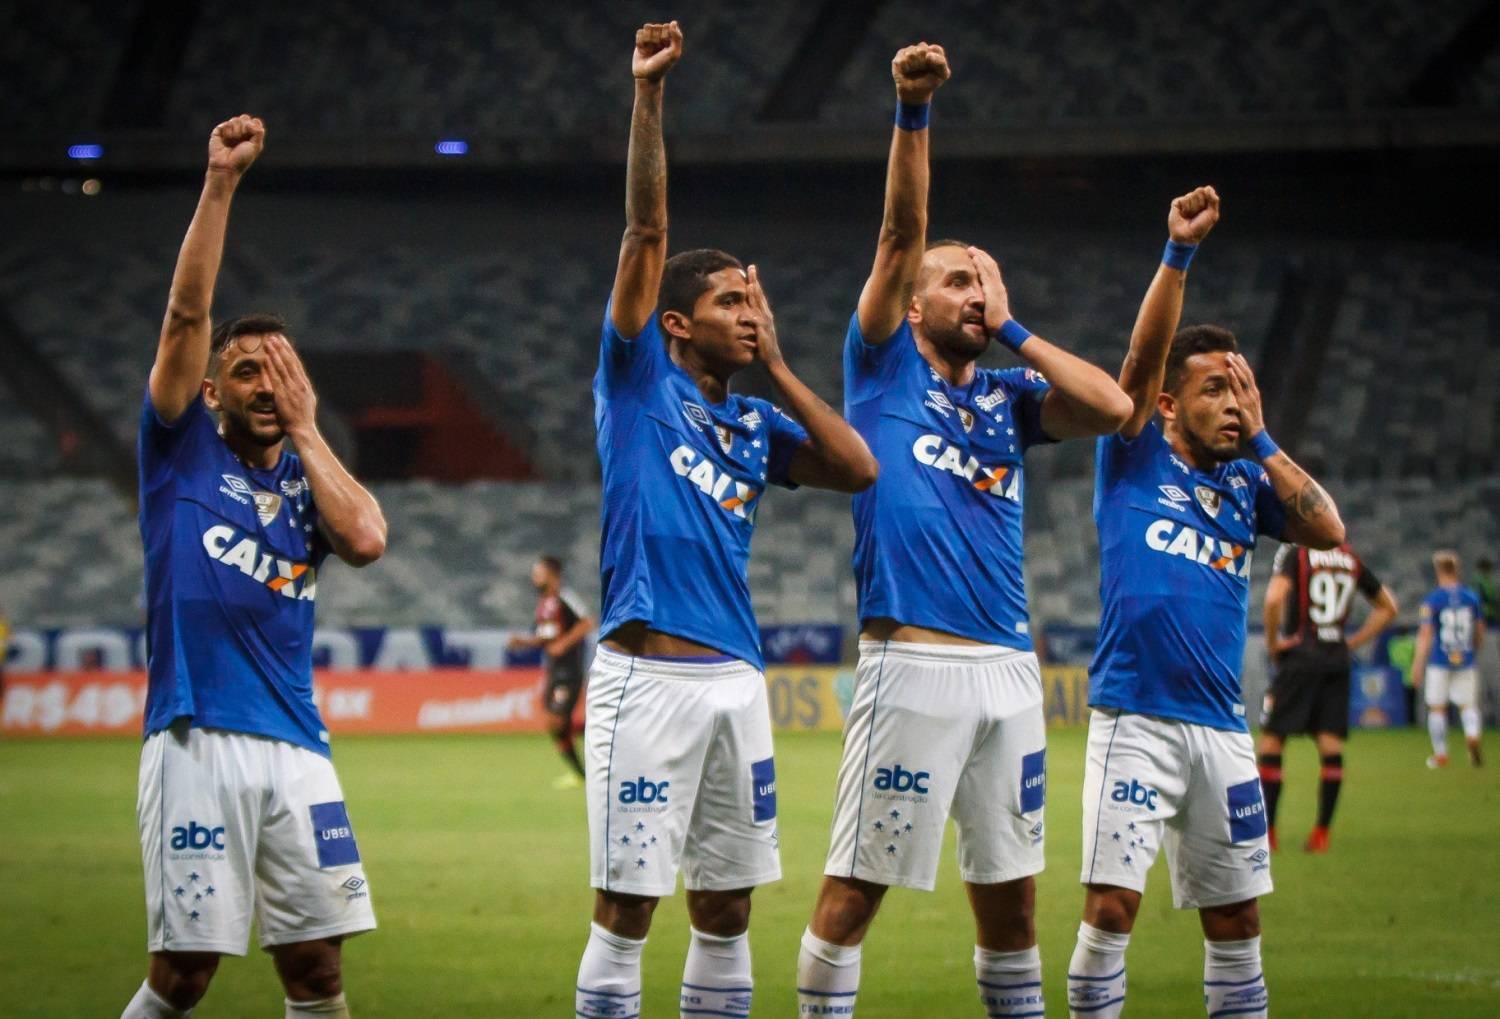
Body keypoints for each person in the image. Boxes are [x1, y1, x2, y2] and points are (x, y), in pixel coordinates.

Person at [796, 44, 1134, 1018]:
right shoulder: (881, 367)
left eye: (987, 280)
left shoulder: (1007, 396)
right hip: (915, 665)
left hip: (1009, 670)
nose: (975, 293)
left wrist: (1015, 325)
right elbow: (903, 232)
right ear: (911, 303)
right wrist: (912, 112)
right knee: (856, 889)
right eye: (958, 282)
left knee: (1014, 901)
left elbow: (1112, 407)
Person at [576, 23, 879, 1019]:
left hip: (735, 678)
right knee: (627, 905)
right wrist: (650, 97)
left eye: (755, 300)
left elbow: (856, 465)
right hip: (646, 676)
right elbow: (644, 237)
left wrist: (783, 360)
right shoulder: (636, 383)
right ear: (677, 323)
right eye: (730, 301)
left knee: (727, 905)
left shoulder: (754, 421)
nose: (749, 312)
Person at [120, 115, 388, 1019]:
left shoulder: (311, 484)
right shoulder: (180, 454)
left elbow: (368, 540)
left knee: (317, 971)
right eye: (245, 372)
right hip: (198, 737)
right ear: (209, 390)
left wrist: (311, 428)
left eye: (281, 372)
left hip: (300, 749)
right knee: (185, 973)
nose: (266, 387)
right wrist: (222, 182)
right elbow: (187, 315)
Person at [1067, 187, 1347, 1019]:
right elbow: (1142, 356)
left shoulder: (1247, 488)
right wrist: (1177, 255)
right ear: (1167, 402)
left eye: (1242, 389)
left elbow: (1329, 528)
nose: (1232, 403)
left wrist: (1262, 438)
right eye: (1216, 390)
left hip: (1223, 729)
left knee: (1237, 919)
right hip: (1135, 720)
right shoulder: (1132, 456)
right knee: (1112, 911)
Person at [1258, 541, 1398, 852]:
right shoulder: (1350, 557)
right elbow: (1389, 607)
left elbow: (1272, 600)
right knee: (1330, 744)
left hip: (1300, 657)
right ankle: (1322, 832)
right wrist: (1352, 642)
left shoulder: (1296, 552)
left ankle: (1268, 833)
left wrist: (1273, 644)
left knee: (1272, 740)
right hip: (1336, 661)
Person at [508, 554, 595, 788]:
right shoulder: (544, 605)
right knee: (552, 721)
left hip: (570, 670)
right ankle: (580, 774)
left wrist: (565, 644)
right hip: (554, 671)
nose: (534, 578)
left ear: (552, 575)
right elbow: (546, 638)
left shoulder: (565, 598)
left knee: (558, 719)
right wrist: (524, 642)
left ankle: (601, 739)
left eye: (538, 573)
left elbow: (588, 622)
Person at [1412, 550, 1486, 768]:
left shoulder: (1434, 600)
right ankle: (1472, 735)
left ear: (1439, 571)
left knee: (1437, 708)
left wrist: (1417, 664)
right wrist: (1474, 649)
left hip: (1439, 660)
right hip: (1466, 658)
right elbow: (1479, 629)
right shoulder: (1471, 597)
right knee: (1468, 706)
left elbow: (1426, 634)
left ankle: (1441, 754)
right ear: (1457, 570)